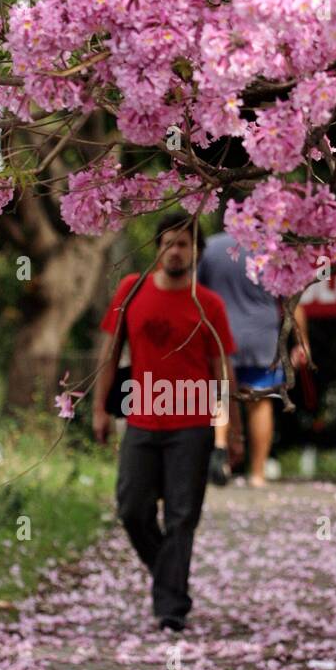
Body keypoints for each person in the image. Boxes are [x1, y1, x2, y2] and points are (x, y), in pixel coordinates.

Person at [92, 214, 244, 631]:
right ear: (158, 247)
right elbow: (110, 353)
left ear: (196, 252)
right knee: (132, 508)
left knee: (181, 517)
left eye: (184, 244)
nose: (176, 251)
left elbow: (222, 373)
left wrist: (230, 431)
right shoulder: (131, 290)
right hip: (141, 420)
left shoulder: (208, 303)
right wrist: (99, 410)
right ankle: (170, 578)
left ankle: (170, 608)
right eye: (169, 243)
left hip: (191, 426)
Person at [197, 230, 309, 487]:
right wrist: (302, 343)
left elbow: (194, 293)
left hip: (220, 334)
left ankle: (221, 451)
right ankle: (257, 473)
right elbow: (292, 301)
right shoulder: (271, 249)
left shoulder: (210, 248)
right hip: (262, 336)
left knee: (221, 396)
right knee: (260, 401)